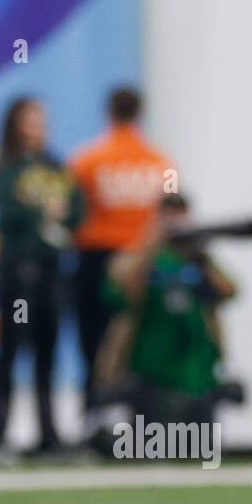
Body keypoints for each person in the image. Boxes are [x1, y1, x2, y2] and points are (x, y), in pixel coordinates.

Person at [93, 193, 242, 447]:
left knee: (200, 449)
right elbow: (117, 293)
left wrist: (201, 256)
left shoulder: (195, 260)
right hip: (149, 371)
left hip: (195, 372)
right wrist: (151, 246)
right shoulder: (142, 256)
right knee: (150, 448)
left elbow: (230, 291)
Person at [0, 97, 82, 462]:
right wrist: (43, 212)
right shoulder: (6, 165)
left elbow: (77, 211)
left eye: (41, 118)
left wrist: (59, 218)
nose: (38, 126)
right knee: (9, 351)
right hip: (17, 271)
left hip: (52, 270)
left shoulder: (56, 165)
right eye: (30, 119)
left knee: (48, 354)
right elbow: (7, 208)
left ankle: (49, 436)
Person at [69, 87, 173, 431]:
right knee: (136, 342)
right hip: (143, 263)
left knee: (95, 343)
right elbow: (171, 214)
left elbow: (71, 215)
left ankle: (94, 415)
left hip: (97, 260)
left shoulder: (87, 161)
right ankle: (140, 421)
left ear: (109, 113)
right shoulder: (160, 163)